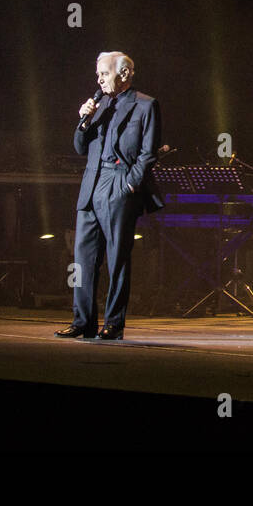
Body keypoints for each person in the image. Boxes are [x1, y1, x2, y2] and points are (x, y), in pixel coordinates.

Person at [56, 52, 160, 341]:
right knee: (84, 258)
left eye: (104, 73)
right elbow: (79, 147)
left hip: (119, 184)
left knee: (117, 259)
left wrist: (129, 185)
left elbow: (148, 152)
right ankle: (83, 321)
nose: (99, 79)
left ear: (124, 74)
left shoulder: (146, 105)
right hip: (91, 184)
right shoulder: (99, 104)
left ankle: (113, 323)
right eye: (98, 74)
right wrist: (84, 120)